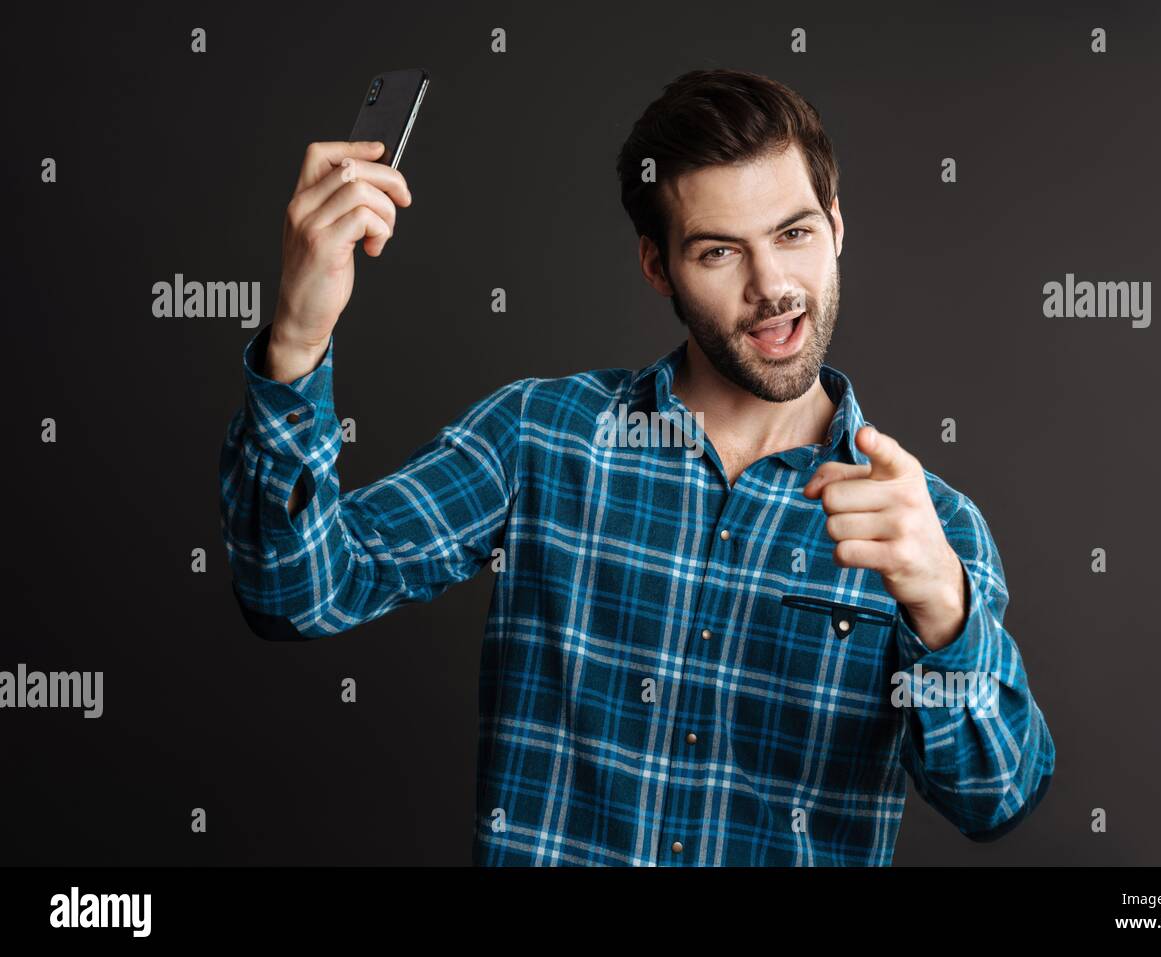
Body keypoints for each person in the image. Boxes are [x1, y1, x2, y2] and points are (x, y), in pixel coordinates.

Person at [219, 68, 1055, 866]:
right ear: (658, 266)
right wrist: (297, 338)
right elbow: (296, 591)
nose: (774, 287)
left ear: (836, 227)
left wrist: (945, 610)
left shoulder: (924, 528)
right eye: (719, 252)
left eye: (794, 234)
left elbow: (999, 797)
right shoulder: (542, 437)